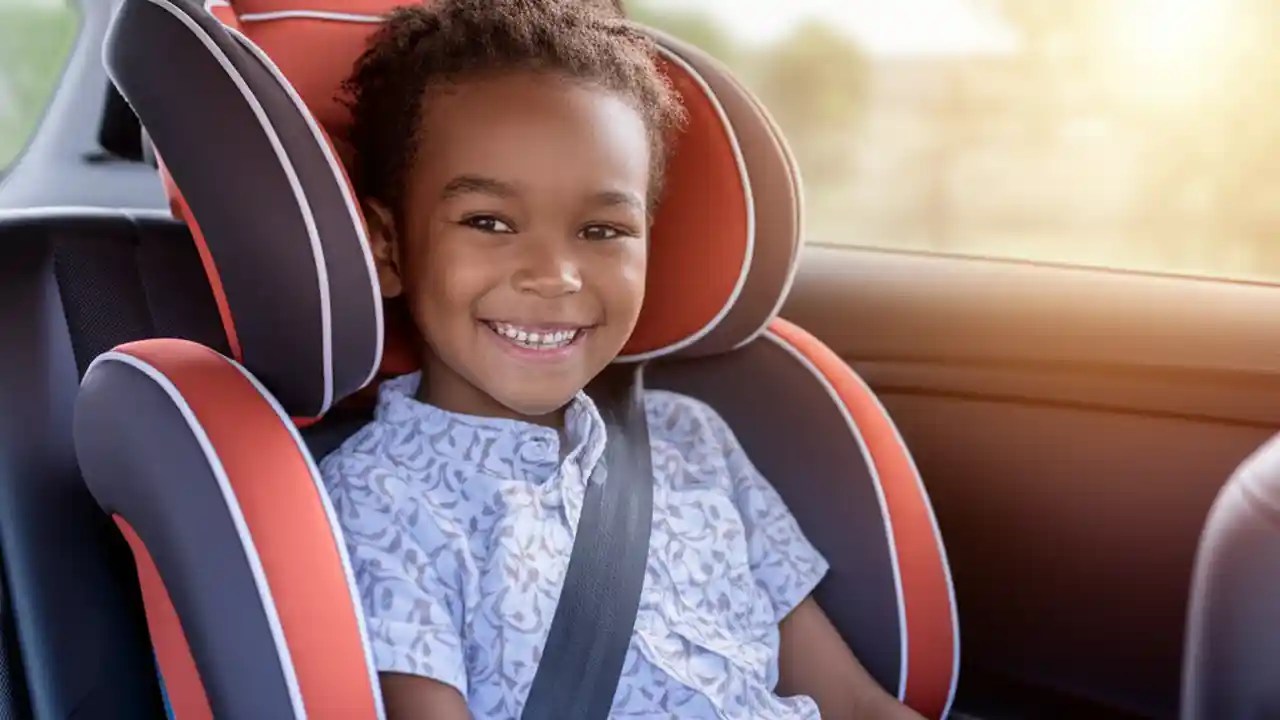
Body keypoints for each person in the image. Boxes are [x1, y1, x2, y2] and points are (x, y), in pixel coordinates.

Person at [321, 1, 924, 717]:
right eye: (489, 222)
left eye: (601, 230)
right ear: (390, 248)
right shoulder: (379, 505)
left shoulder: (687, 441)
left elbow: (853, 705)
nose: (555, 275)